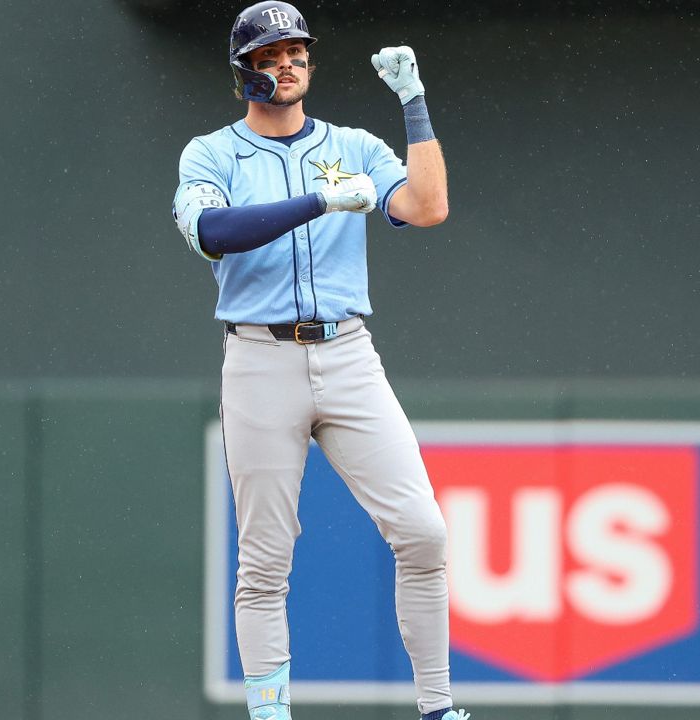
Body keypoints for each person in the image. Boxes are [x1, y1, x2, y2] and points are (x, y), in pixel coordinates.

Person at [172, 4, 464, 720]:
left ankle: (438, 708)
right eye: (271, 54)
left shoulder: (354, 144)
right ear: (244, 70)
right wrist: (318, 200)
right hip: (259, 357)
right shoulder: (211, 153)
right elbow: (212, 231)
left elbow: (428, 207)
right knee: (265, 559)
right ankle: (270, 716)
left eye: (297, 50)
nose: (288, 63)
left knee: (424, 532)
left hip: (347, 351)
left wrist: (414, 103)